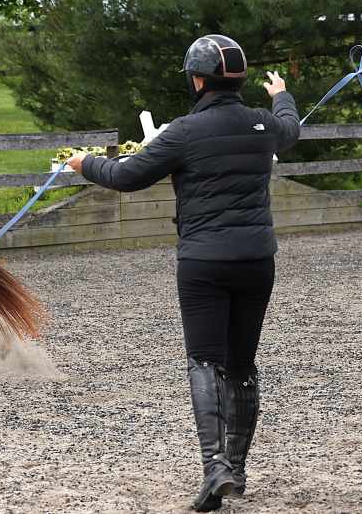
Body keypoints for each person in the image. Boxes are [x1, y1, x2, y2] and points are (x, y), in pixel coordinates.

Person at [66, 34, 300, 512]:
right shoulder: (263, 125)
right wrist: (282, 96)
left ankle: (215, 468)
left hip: (204, 263)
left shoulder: (184, 132)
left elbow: (124, 176)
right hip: (257, 260)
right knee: (242, 366)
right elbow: (290, 128)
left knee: (205, 362)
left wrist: (83, 162)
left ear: (198, 80)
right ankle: (234, 468)